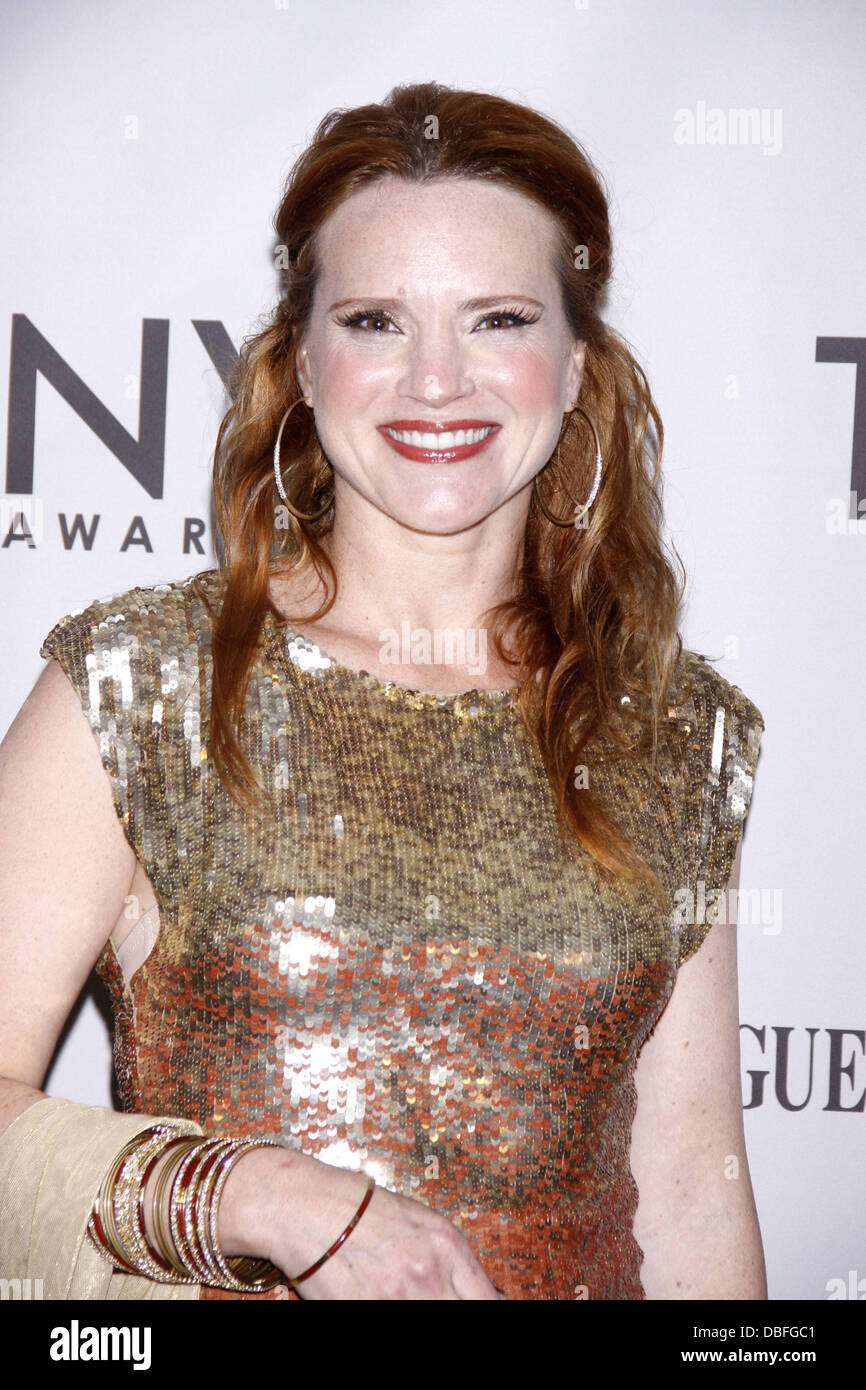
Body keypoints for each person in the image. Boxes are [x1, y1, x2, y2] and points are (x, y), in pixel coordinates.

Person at [0, 80, 766, 1301]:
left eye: (498, 319)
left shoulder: (670, 731)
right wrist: (259, 1195)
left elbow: (688, 1185)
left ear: (574, 365)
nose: (435, 383)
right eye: (374, 322)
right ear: (301, 359)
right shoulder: (138, 691)